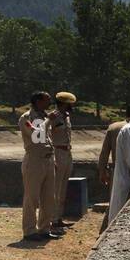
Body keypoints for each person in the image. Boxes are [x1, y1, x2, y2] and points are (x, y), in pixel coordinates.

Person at [19, 91, 59, 241]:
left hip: (47, 160)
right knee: (32, 198)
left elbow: (47, 139)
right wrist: (49, 120)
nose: (49, 103)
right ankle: (29, 231)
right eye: (46, 100)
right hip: (34, 161)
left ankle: (44, 229)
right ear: (37, 101)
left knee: (48, 197)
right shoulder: (26, 118)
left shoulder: (44, 116)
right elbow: (38, 136)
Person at [49, 92, 77, 232]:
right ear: (63, 103)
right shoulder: (52, 117)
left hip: (67, 152)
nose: (71, 106)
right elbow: (47, 133)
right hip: (58, 152)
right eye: (69, 103)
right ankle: (52, 219)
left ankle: (59, 218)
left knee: (63, 187)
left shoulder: (66, 117)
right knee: (56, 187)